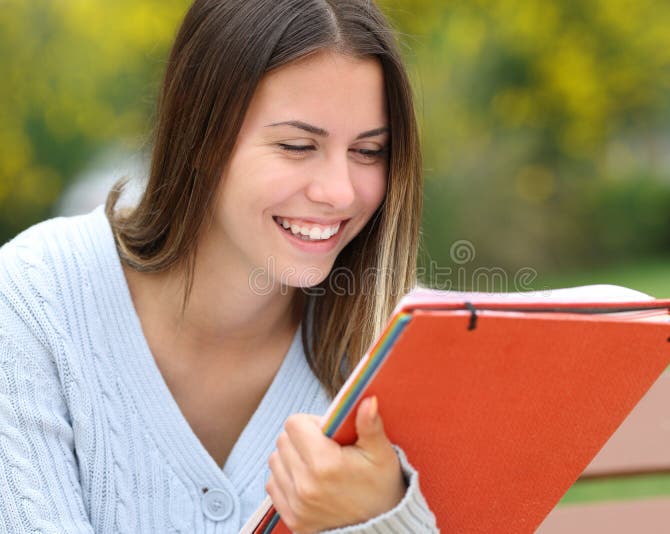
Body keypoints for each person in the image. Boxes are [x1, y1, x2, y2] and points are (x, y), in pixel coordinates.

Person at [0, 0, 439, 532]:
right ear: (201, 137)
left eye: (369, 152)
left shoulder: (405, 337)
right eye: (298, 146)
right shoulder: (33, 297)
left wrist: (385, 517)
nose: (340, 192)